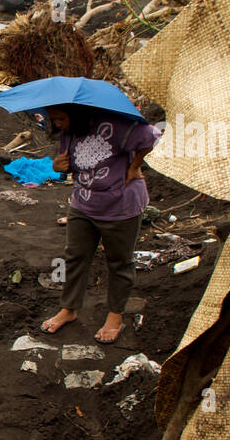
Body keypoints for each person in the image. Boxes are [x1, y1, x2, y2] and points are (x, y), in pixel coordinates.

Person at [39, 104, 161, 343]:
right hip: (83, 204)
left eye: (61, 119)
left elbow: (152, 136)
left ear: (77, 114)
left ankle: (115, 316)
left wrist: (134, 166)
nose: (58, 124)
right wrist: (57, 166)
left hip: (120, 207)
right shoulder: (69, 131)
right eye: (54, 120)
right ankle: (69, 309)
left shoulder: (115, 125)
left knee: (119, 262)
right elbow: (70, 166)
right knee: (74, 256)